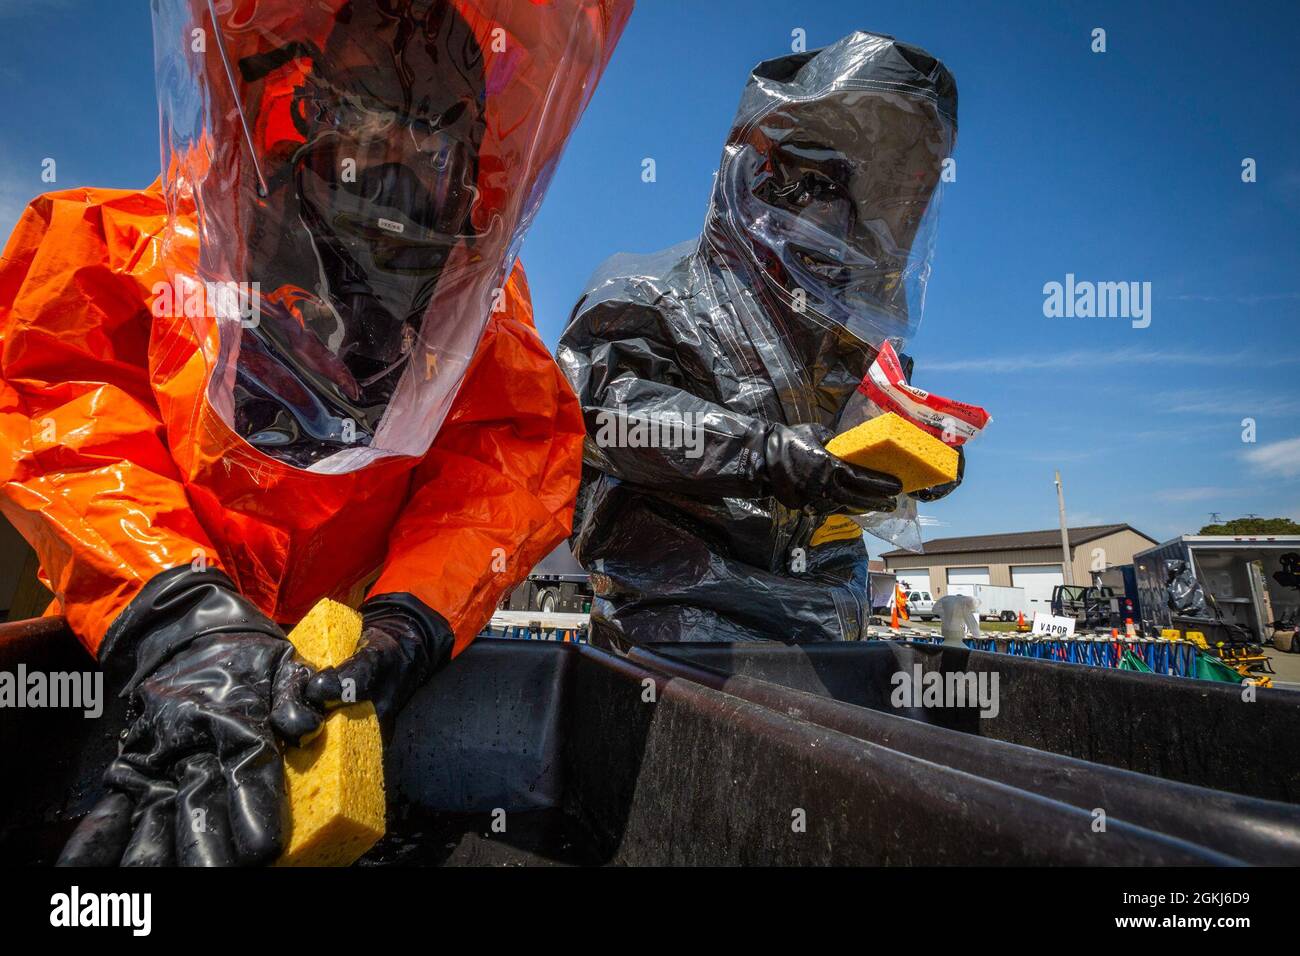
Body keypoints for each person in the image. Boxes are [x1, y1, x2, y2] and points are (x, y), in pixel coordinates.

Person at [0, 0, 630, 866]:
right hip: (137, 685)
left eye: (433, 133)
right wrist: (181, 621)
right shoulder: (154, 254)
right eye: (371, 111)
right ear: (309, 102)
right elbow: (63, 406)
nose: (398, 155)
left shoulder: (474, 317)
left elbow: (500, 467)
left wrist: (406, 623)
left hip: (338, 714)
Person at [558, 31, 960, 651]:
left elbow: (855, 448)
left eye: (863, 203)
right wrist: (763, 454)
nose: (847, 223)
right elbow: (605, 416)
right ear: (765, 184)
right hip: (674, 635)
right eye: (827, 189)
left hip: (827, 641)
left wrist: (916, 461)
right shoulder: (648, 293)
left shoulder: (843, 338)